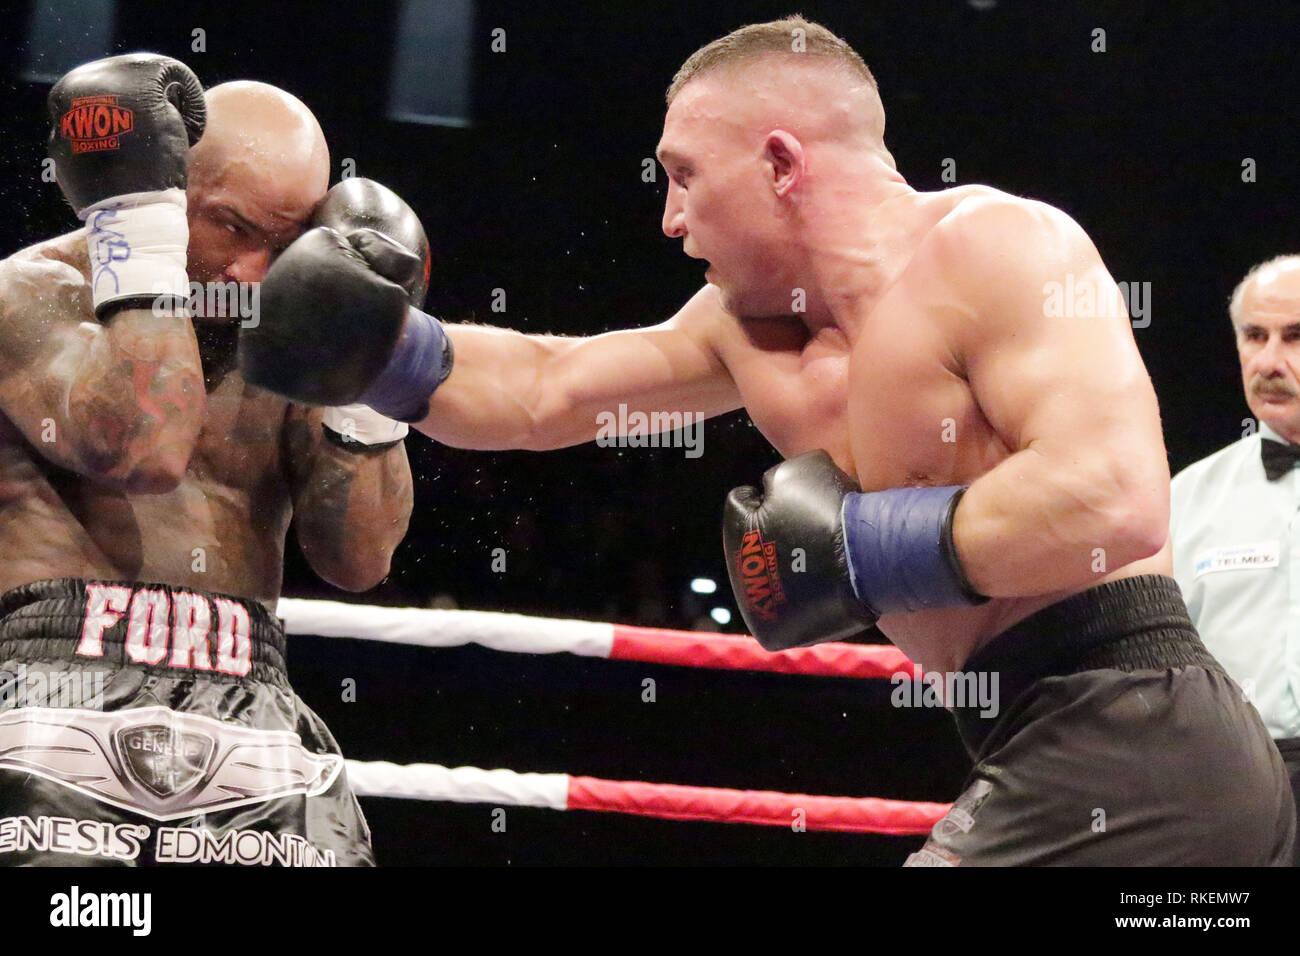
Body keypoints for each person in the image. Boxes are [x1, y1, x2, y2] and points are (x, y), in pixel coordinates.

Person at [241, 17, 1295, 864]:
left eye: (685, 175)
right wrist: (379, 348)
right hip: (1040, 734)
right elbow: (544, 389)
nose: (670, 219)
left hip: (1140, 733)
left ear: (782, 161)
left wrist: (859, 548)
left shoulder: (998, 248)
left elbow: (1111, 501)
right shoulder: (743, 328)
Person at [0, 54, 419, 866]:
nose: (251, 273)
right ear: (162, 187)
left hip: (248, 695)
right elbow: (143, 449)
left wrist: (367, 359)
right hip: (55, 679)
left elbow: (360, 558)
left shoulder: (287, 328)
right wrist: (144, 245)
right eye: (231, 226)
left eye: (286, 243)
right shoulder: (30, 296)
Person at [1171, 254, 1300, 866]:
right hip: (1232, 789)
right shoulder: (1183, 499)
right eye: (1255, 336)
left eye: (1296, 336)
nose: (1270, 361)